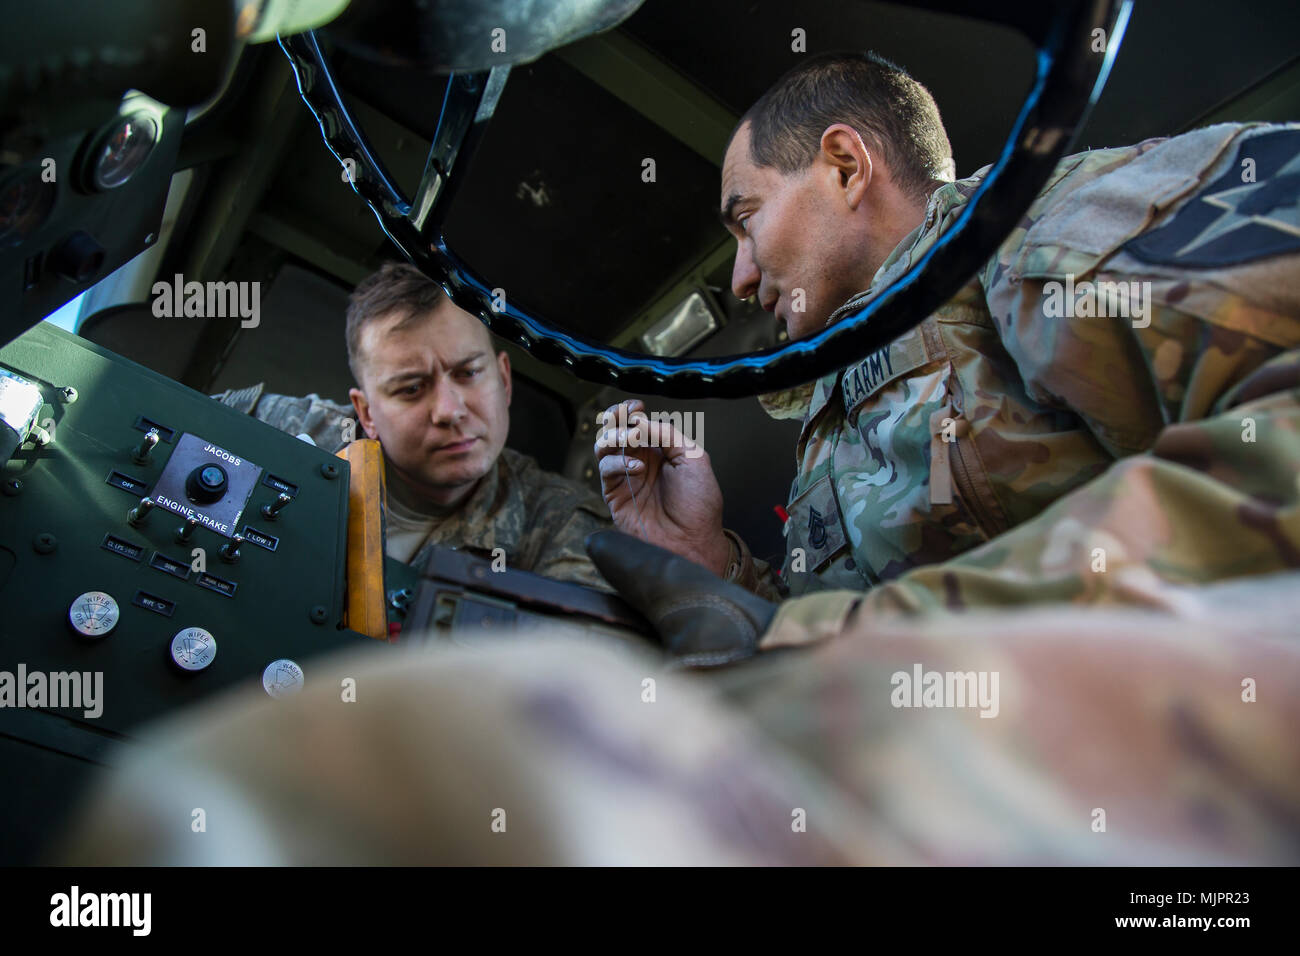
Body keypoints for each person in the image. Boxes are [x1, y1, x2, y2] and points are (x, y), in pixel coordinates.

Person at [592, 51, 1300, 657]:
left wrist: (854, 648)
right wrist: (711, 565)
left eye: (747, 222)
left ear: (844, 166)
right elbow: (830, 618)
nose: (741, 277)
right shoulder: (830, 408)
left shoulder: (1044, 230)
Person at [214, 262, 613, 589]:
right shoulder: (289, 433)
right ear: (366, 413)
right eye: (411, 388)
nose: (448, 411)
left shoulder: (557, 517)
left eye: (468, 373)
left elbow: (586, 664)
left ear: (504, 380)